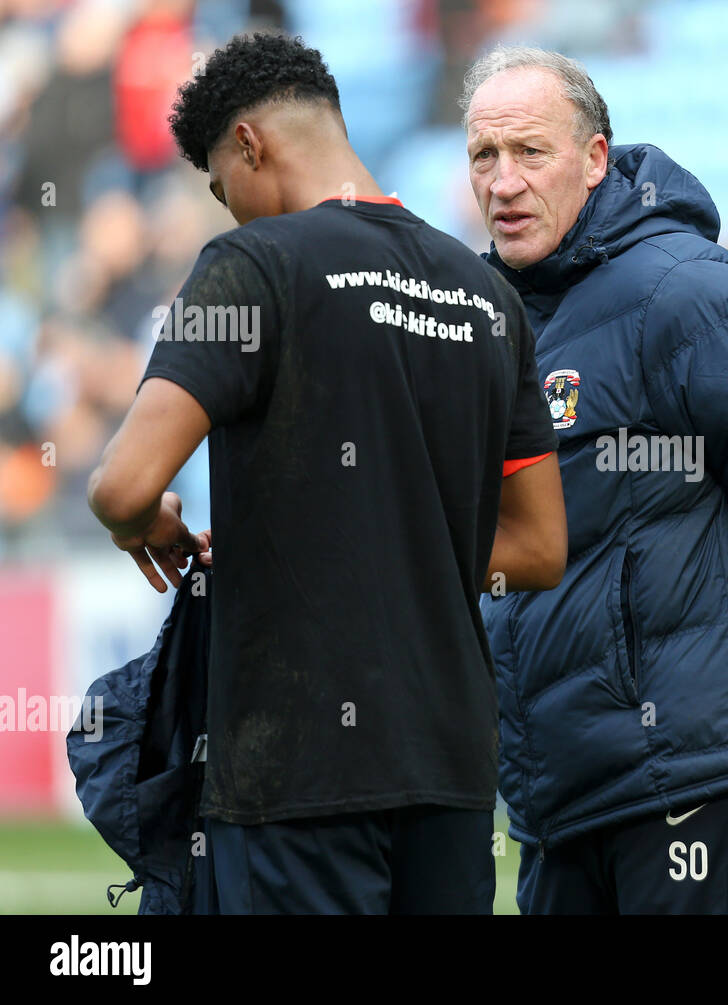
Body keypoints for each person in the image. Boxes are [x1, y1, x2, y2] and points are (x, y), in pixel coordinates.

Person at [87, 32, 566, 914]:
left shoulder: (255, 267)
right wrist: (409, 543)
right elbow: (538, 546)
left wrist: (145, 523)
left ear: (250, 144)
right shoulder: (485, 293)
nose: (228, 207)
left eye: (219, 184)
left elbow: (119, 485)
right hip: (452, 768)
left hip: (295, 766)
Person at [462, 46, 728, 914]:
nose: (503, 181)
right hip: (561, 794)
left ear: (594, 159)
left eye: (530, 152)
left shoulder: (684, 292)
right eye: (483, 156)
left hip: (697, 770)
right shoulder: (486, 317)